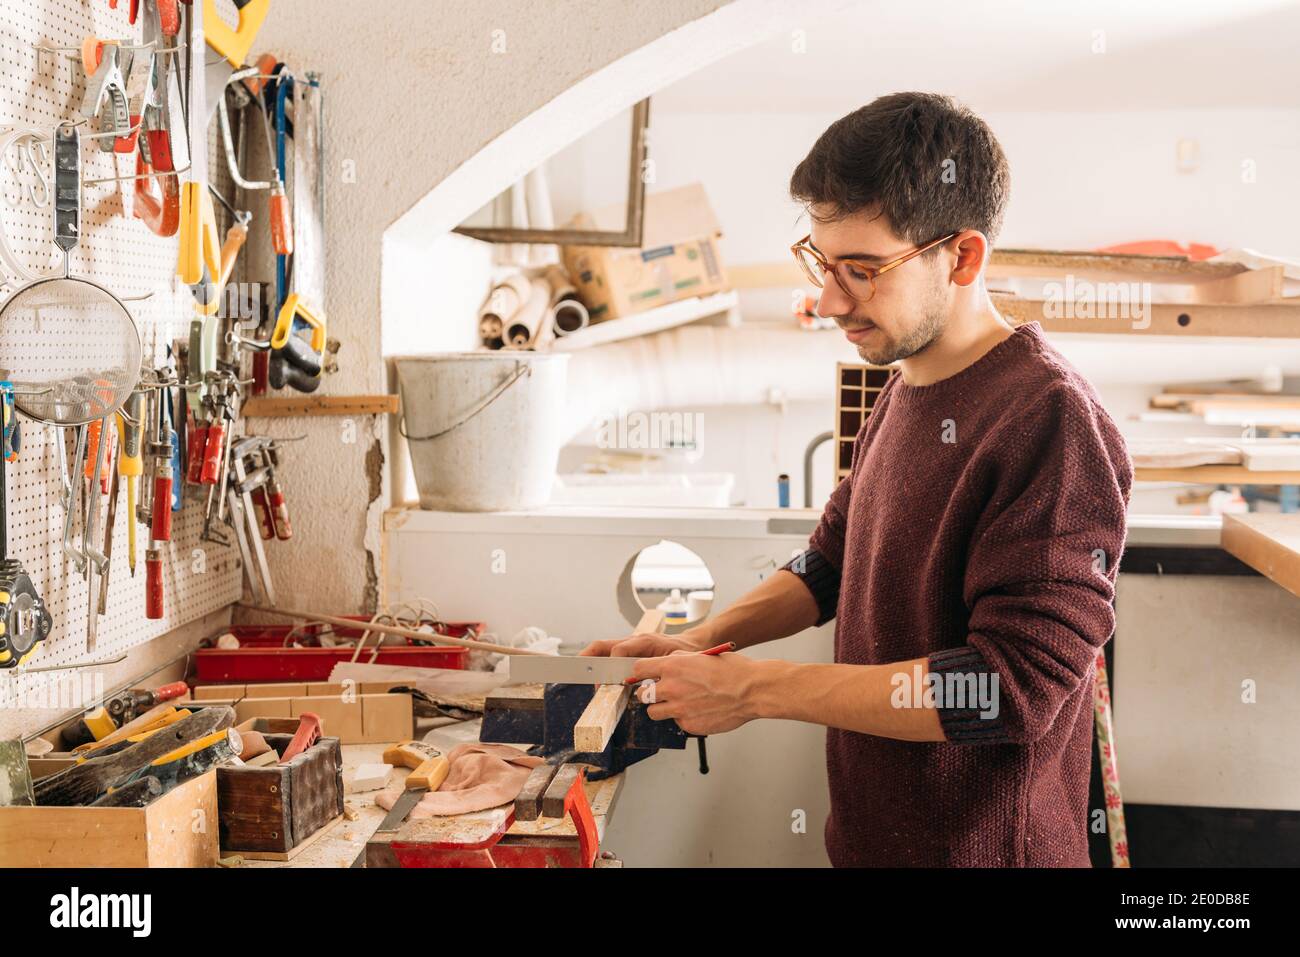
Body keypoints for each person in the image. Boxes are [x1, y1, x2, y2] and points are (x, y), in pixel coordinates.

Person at [581, 92, 1133, 867]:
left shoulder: (1050, 422)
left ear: (964, 257)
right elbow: (828, 562)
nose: (831, 300)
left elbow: (1006, 689)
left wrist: (754, 690)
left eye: (864, 270)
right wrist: (703, 641)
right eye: (821, 262)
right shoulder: (902, 384)